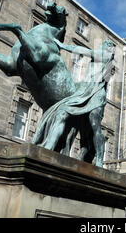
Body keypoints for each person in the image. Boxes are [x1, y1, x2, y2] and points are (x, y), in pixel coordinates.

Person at [32, 38, 115, 167]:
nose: (104, 46)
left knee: (94, 124)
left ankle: (99, 160)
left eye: (107, 45)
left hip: (97, 94)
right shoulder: (101, 56)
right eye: (105, 44)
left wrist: (62, 45)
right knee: (61, 112)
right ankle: (48, 147)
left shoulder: (107, 56)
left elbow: (83, 51)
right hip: (83, 92)